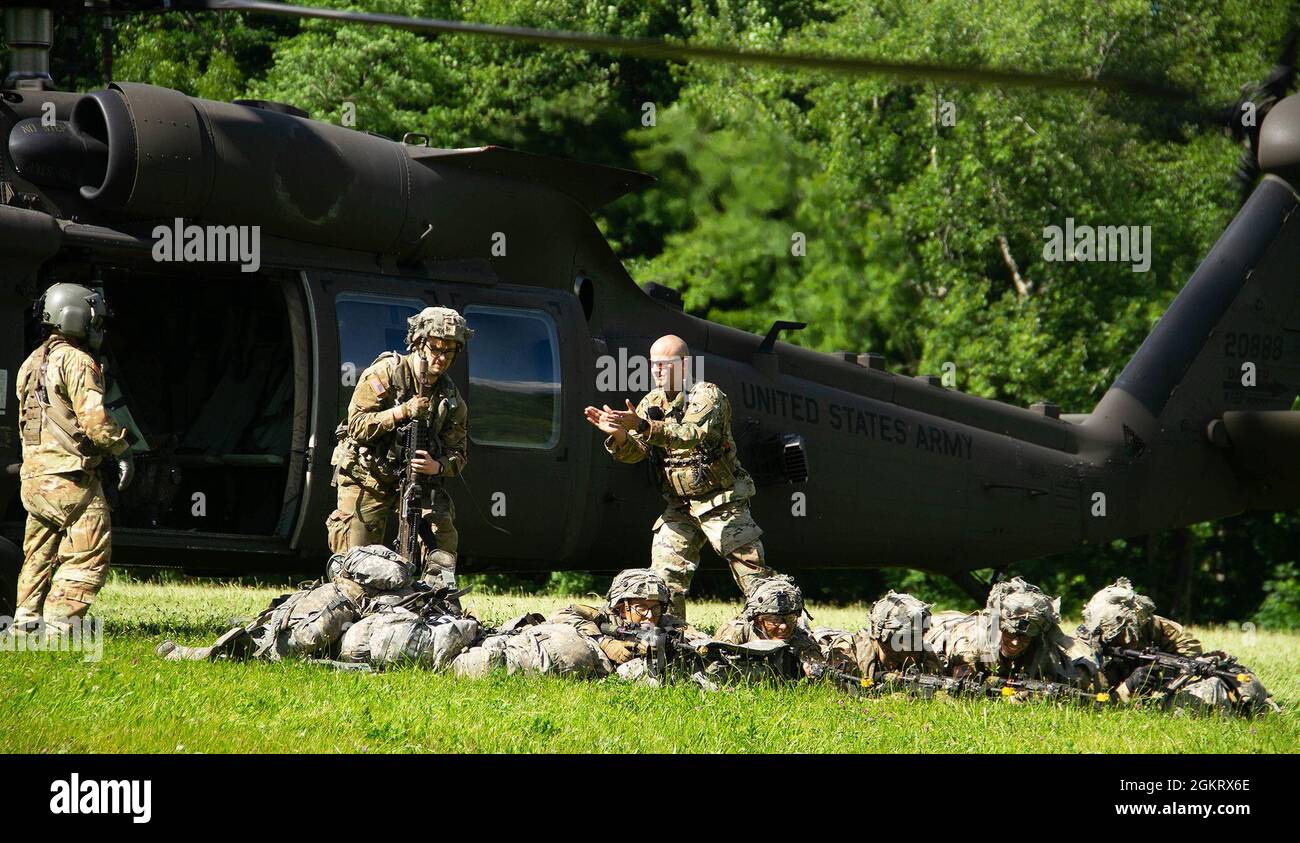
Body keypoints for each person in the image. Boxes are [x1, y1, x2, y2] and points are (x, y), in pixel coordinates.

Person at [584, 333, 772, 618]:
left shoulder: (707, 395)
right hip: (680, 506)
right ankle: (672, 639)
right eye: (652, 364)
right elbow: (639, 452)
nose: (656, 370)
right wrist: (621, 436)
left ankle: (784, 631)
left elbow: (690, 435)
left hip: (722, 502)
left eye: (664, 364)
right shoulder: (651, 402)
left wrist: (644, 426)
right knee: (663, 580)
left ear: (684, 365)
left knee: (755, 578)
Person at [13, 283, 134, 631]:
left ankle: (24, 623)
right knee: (89, 552)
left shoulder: (31, 363)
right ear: (76, 318)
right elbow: (94, 422)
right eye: (95, 321)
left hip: (35, 479)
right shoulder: (78, 361)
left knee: (38, 555)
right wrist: (122, 451)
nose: (99, 329)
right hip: (70, 478)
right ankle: (58, 626)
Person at [327, 306, 470, 588]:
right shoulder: (385, 374)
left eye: (449, 351)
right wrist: (401, 412)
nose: (441, 357)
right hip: (368, 476)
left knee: (442, 532)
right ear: (418, 343)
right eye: (436, 347)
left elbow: (459, 453)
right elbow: (357, 426)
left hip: (417, 481)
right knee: (355, 562)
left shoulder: (451, 398)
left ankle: (436, 598)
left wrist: (438, 465)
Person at [1078, 577, 1279, 714]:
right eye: (1121, 634)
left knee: (1224, 670)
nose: (1129, 639)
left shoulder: (1151, 624)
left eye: (1131, 631)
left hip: (1158, 681)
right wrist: (1127, 687)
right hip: (1118, 691)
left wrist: (1166, 672)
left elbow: (1188, 648)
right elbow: (1089, 701)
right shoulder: (1085, 650)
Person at [925, 577, 1098, 688]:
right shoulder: (973, 644)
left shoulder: (1042, 649)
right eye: (1010, 634)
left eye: (1023, 637)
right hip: (945, 631)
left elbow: (1075, 678)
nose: (1015, 643)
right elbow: (959, 683)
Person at [713, 575, 825, 678]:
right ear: (757, 620)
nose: (784, 627)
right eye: (775, 620)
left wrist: (813, 665)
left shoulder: (797, 634)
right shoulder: (736, 631)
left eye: (790, 619)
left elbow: (812, 654)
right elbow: (712, 668)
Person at [814, 590, 941, 680]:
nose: (914, 645)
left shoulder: (924, 655)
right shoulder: (847, 654)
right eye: (905, 639)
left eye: (920, 636)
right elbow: (842, 697)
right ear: (882, 638)